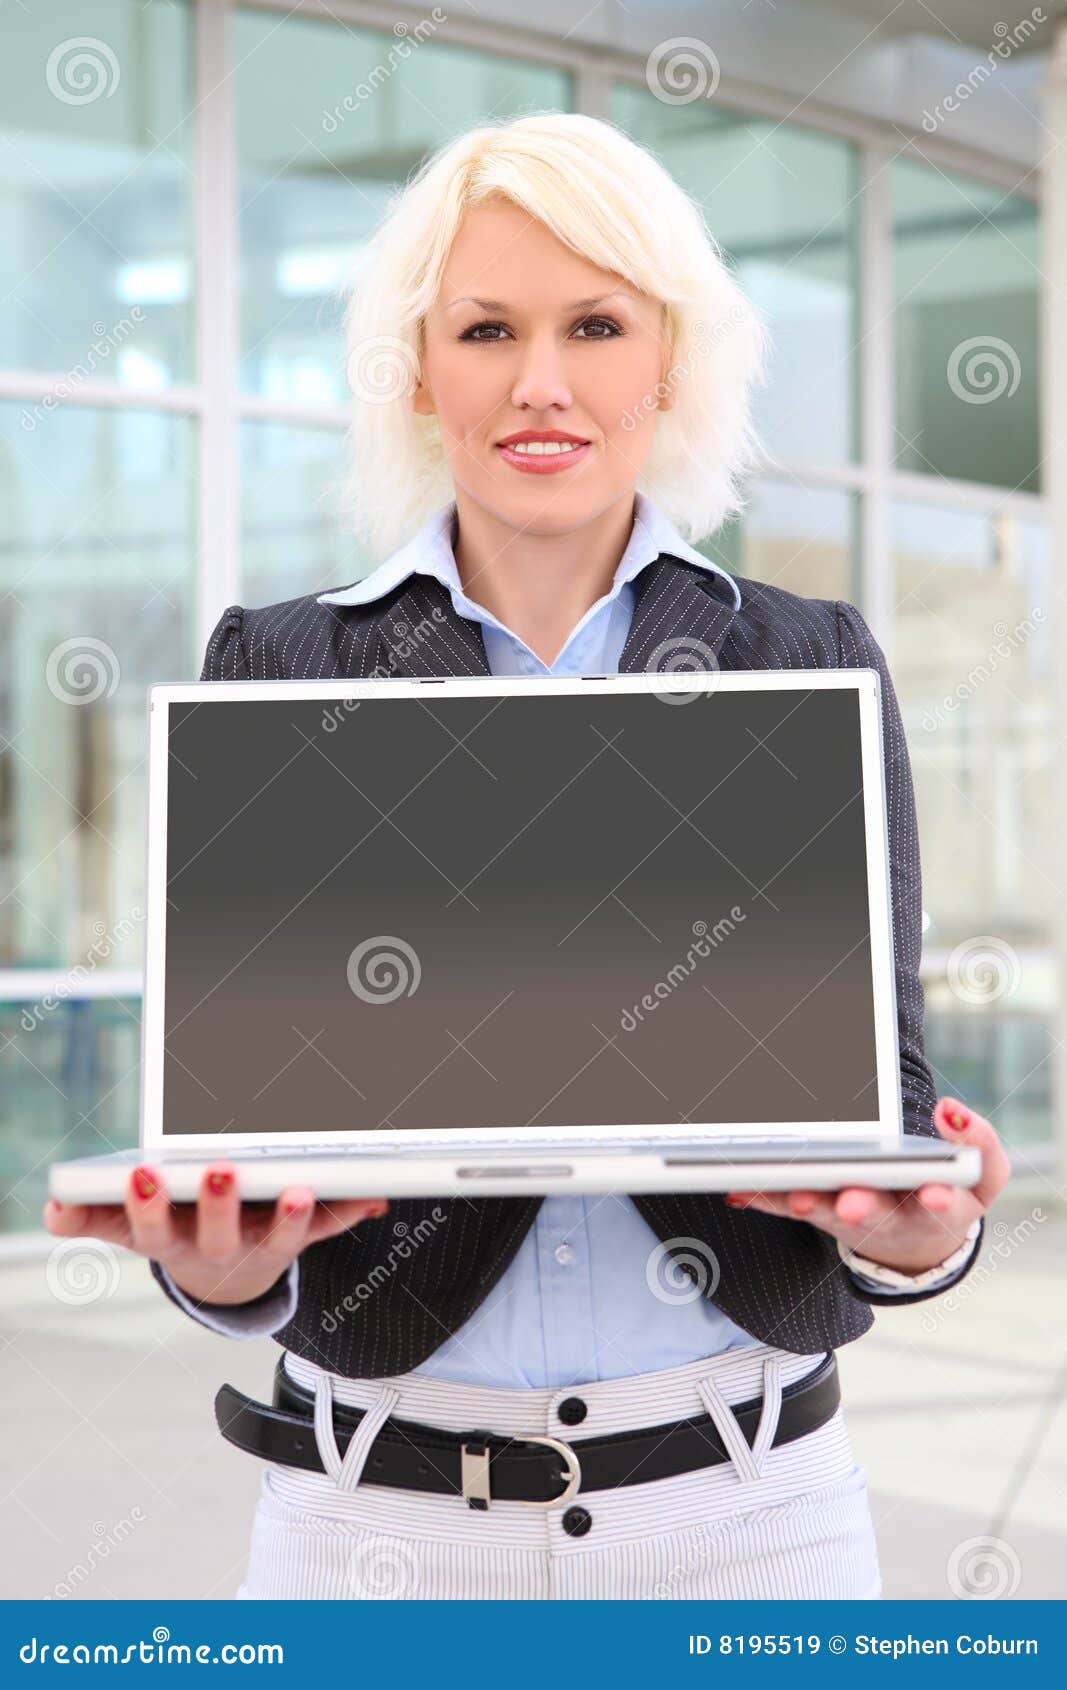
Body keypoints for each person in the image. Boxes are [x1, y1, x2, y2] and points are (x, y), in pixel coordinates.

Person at [44, 112, 1009, 1601]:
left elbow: (874, 1110)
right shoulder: (284, 669)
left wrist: (911, 1237)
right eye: (486, 327)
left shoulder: (803, 662)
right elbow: (246, 1133)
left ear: (667, 363)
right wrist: (222, 1268)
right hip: (371, 1529)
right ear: (420, 369)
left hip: (754, 1529)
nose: (541, 382)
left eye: (596, 324)